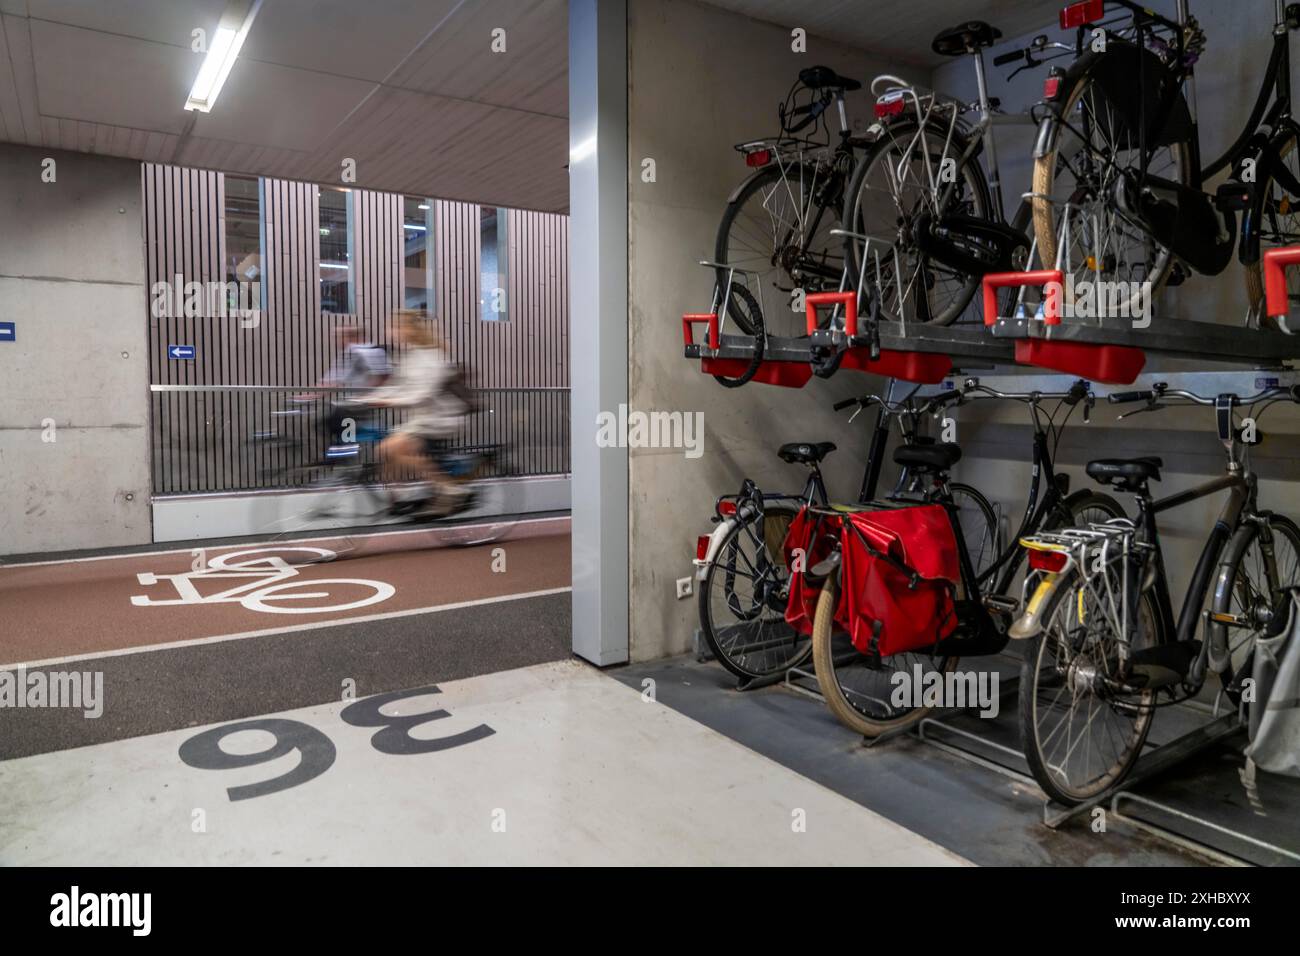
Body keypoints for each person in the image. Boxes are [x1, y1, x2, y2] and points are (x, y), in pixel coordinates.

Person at [368, 310, 472, 517]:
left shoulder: (432, 356)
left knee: (392, 448)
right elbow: (396, 385)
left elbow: (422, 394)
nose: (391, 332)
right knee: (383, 451)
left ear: (410, 329)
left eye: (396, 327)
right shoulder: (411, 355)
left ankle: (452, 489)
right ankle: (400, 498)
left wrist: (388, 401)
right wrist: (365, 399)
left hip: (441, 418)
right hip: (421, 418)